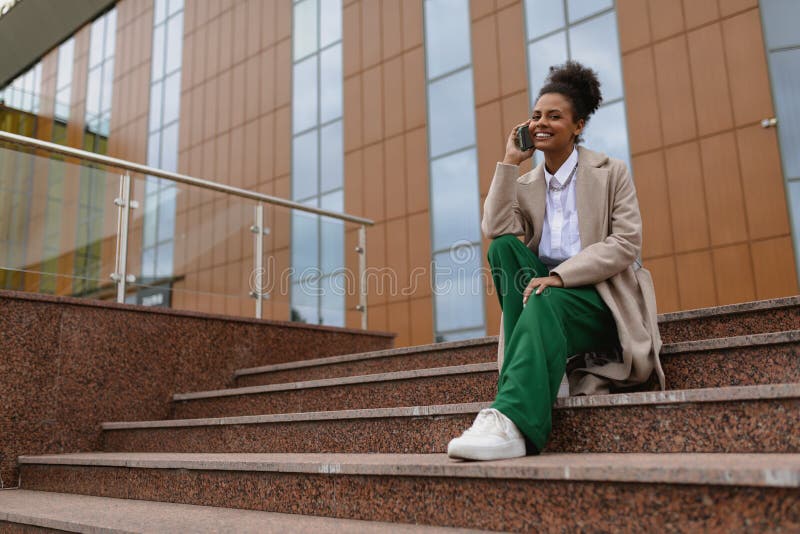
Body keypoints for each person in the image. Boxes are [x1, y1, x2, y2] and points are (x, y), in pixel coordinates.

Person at [447, 61, 664, 461]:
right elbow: (494, 226)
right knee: (502, 249)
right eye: (535, 116)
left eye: (554, 116)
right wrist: (510, 163)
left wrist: (561, 277)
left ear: (578, 125)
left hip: (599, 299)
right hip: (543, 296)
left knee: (545, 294)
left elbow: (625, 243)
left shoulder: (611, 172)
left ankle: (511, 420)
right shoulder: (526, 183)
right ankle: (532, 382)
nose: (540, 123)